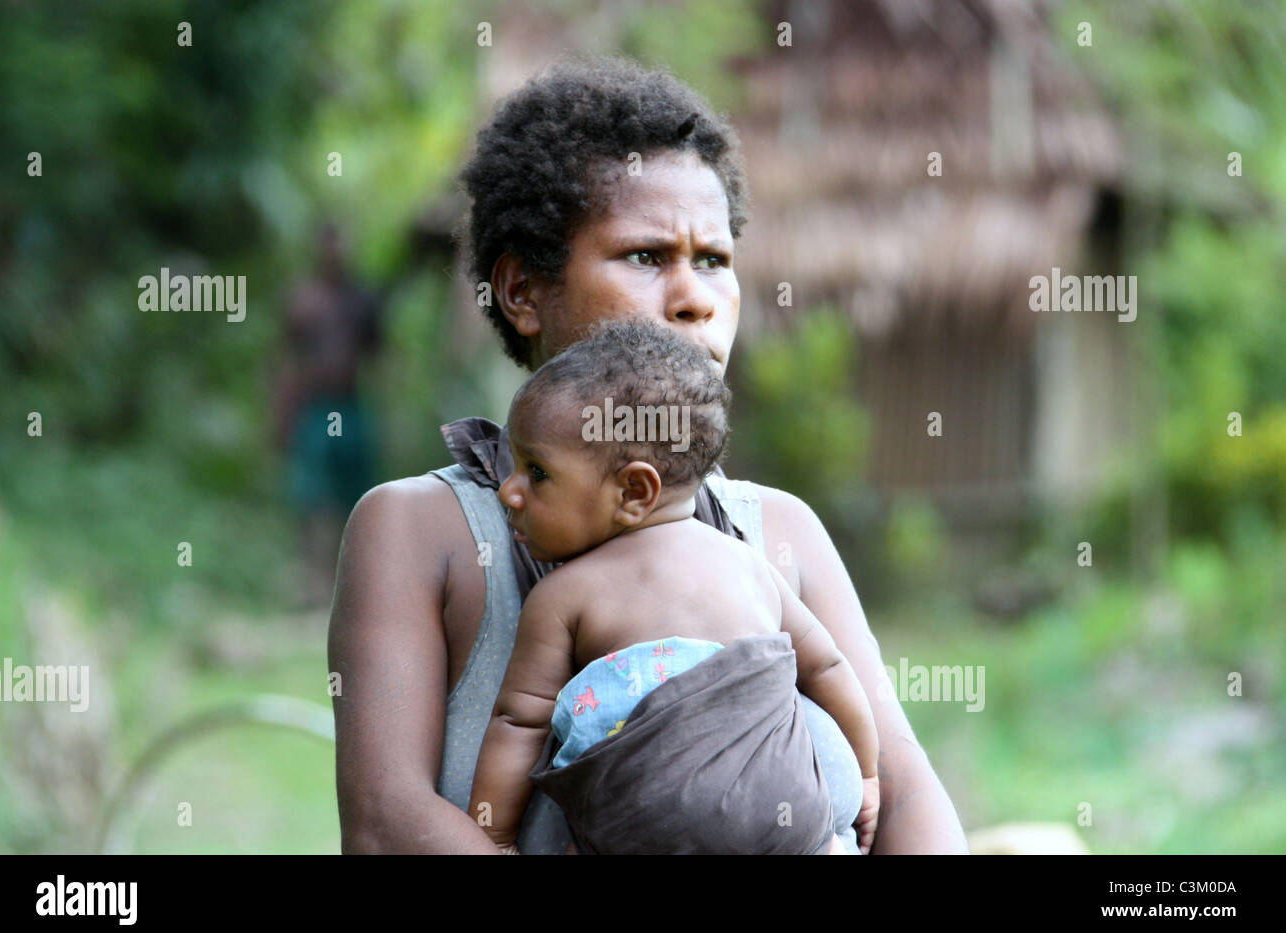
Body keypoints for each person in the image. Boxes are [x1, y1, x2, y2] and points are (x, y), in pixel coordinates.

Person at [329, 56, 968, 854]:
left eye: (714, 261)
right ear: (522, 292)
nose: (695, 294)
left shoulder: (779, 530)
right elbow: (387, 824)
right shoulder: (423, 530)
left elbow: (906, 792)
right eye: (644, 256)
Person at [465, 321, 880, 855]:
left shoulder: (564, 595)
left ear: (635, 491)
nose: (508, 490)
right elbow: (827, 668)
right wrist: (867, 775)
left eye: (536, 472)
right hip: (786, 805)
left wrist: (493, 837)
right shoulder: (749, 565)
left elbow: (519, 721)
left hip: (650, 819)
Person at [273, 224, 382, 608]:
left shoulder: (361, 300)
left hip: (351, 405)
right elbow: (287, 359)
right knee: (312, 495)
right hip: (314, 408)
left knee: (356, 495)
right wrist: (282, 414)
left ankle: (350, 582)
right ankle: (313, 582)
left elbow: (378, 355)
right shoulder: (304, 300)